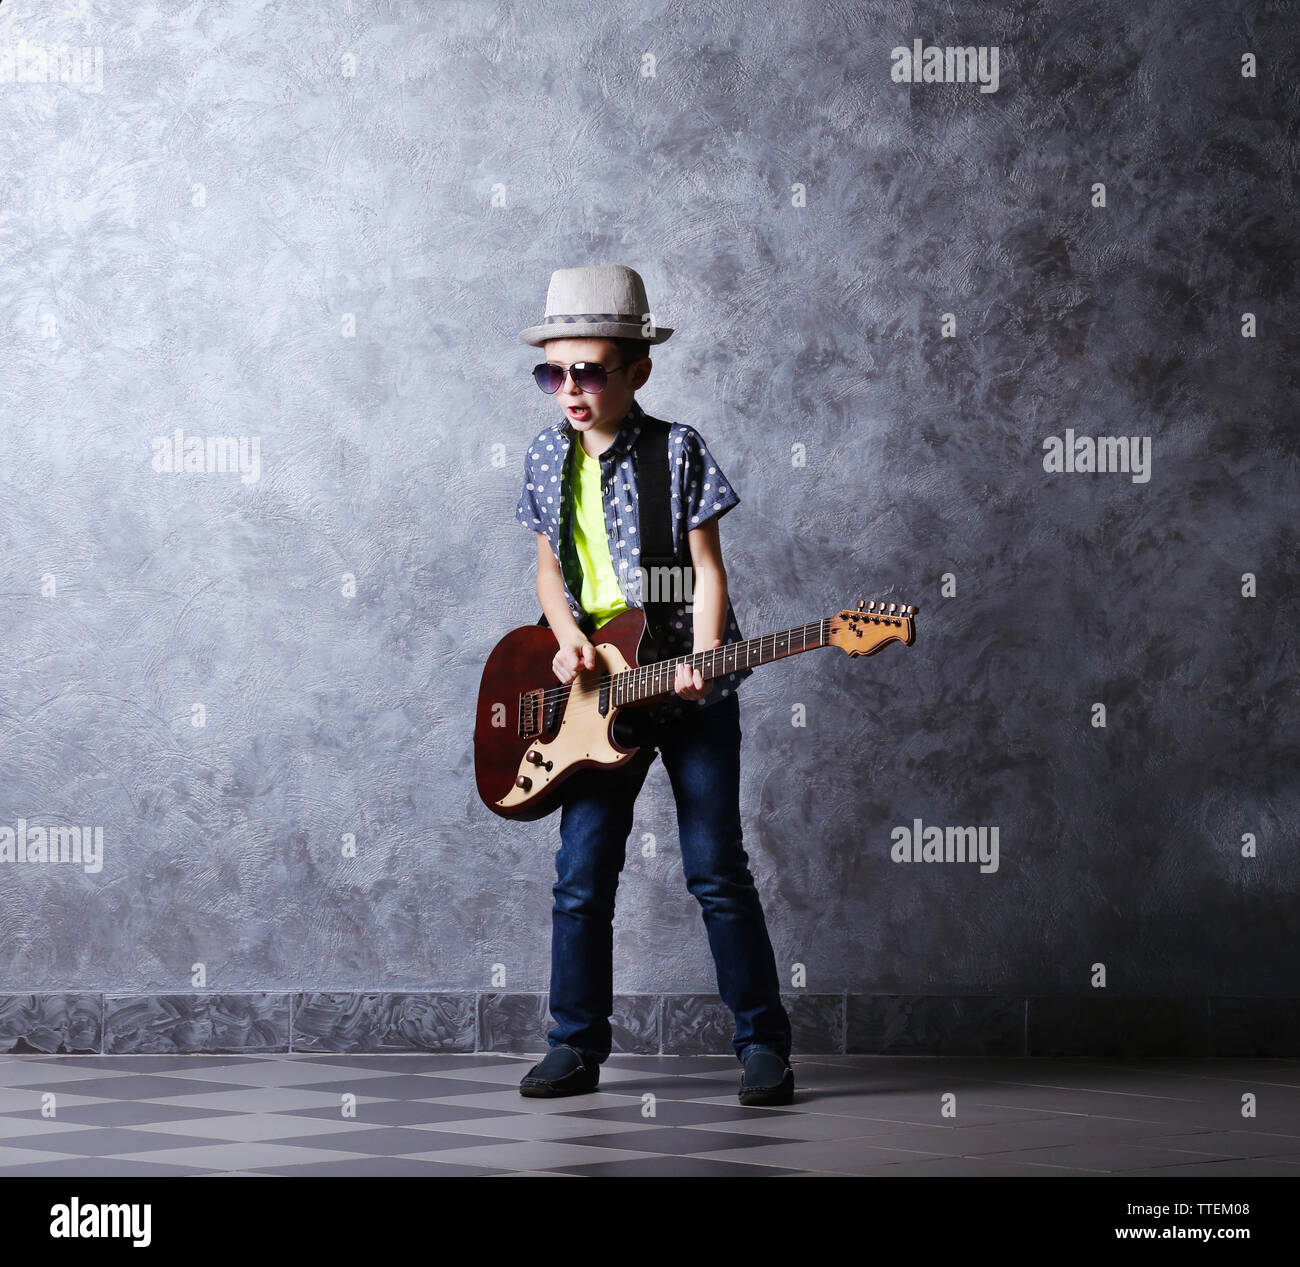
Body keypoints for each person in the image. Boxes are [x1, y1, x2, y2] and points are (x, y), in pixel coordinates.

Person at [512, 264, 793, 1106]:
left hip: (686, 684)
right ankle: (574, 1044)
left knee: (715, 867)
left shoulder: (679, 450)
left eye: (589, 370)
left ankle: (762, 1044)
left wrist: (708, 651)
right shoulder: (543, 457)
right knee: (581, 872)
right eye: (553, 372)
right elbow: (547, 573)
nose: (570, 389)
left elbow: (708, 572)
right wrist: (566, 643)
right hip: (600, 693)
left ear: (637, 369)